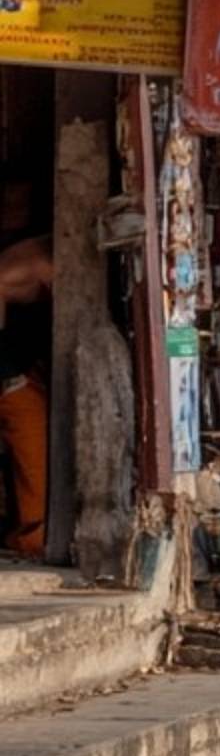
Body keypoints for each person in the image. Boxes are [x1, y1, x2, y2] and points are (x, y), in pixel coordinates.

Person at [0, 235, 53, 557]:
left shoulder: (31, 255)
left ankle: (33, 532)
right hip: (12, 378)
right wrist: (9, 376)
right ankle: (35, 535)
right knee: (34, 445)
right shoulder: (34, 262)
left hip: (22, 370)